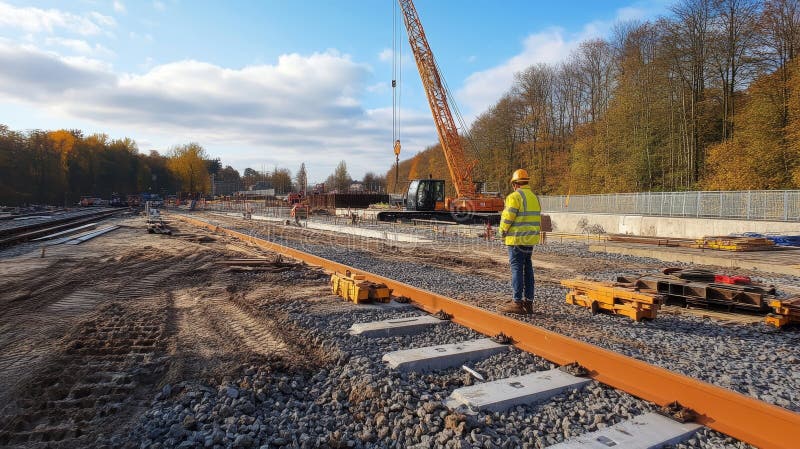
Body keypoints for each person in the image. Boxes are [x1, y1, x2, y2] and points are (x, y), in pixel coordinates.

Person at [497, 169, 542, 315]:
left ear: (515, 184)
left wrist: (502, 231)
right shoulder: (534, 197)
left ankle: (517, 302)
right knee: (528, 268)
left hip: (516, 240)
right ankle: (529, 303)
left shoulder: (514, 197)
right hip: (530, 240)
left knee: (516, 268)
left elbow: (508, 218)